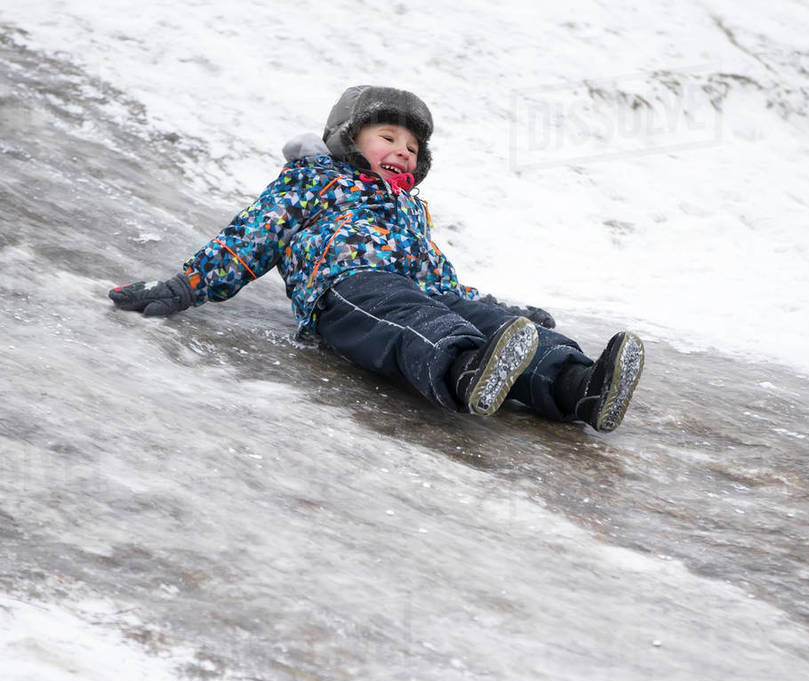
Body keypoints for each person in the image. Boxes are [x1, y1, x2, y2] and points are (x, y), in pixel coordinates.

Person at [109, 85, 644, 432]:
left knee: (469, 313)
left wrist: (503, 313)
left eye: (412, 147)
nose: (402, 151)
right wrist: (186, 285)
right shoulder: (313, 180)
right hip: (345, 290)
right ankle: (464, 371)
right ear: (348, 139)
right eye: (387, 137)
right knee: (412, 318)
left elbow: (437, 271)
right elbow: (253, 235)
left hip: (419, 288)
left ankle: (579, 386)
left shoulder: (409, 207)